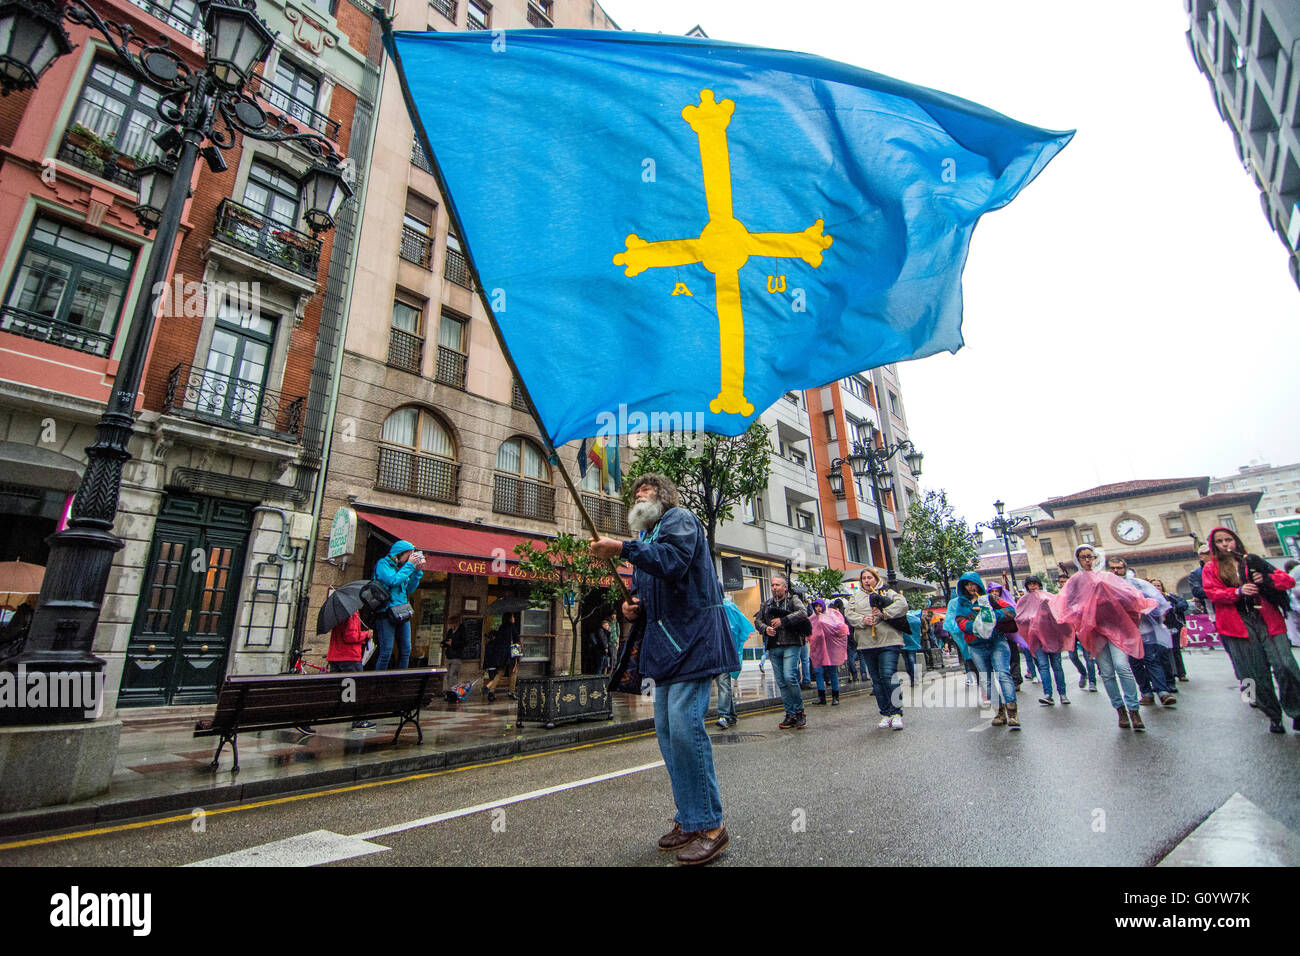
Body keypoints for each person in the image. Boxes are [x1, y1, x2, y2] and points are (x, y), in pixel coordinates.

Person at [592, 473, 736, 865]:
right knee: (670, 733)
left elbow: (672, 563)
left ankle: (710, 825)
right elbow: (649, 587)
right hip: (667, 647)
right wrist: (631, 604)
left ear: (664, 497)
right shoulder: (644, 540)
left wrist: (620, 548)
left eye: (648, 490)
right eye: (637, 493)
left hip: (693, 641)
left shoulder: (679, 520)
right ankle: (690, 818)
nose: (641, 495)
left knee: (686, 730)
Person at [1200, 525, 1300, 734]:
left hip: (1268, 618)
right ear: (1214, 545)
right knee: (1256, 673)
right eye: (1219, 541)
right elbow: (1212, 592)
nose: (1225, 544)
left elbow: (1287, 580)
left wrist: (1267, 580)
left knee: (1286, 665)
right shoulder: (1211, 568)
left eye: (1228, 539)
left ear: (1236, 539)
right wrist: (1238, 591)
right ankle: (1273, 715)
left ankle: (1296, 710)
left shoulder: (1252, 560)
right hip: (1238, 623)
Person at [1051, 545, 1151, 731]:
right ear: (1078, 560)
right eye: (1083, 557)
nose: (1087, 560)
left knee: (1122, 667)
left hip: (1116, 628)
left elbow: (1128, 596)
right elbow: (1067, 604)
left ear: (1096, 558)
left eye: (1090, 556)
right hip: (1094, 631)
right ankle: (1120, 709)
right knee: (1106, 672)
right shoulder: (1075, 581)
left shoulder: (1108, 577)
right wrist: (1085, 609)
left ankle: (1133, 709)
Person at [946, 572, 1020, 729]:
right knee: (986, 678)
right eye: (967, 584)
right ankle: (999, 712)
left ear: (978, 584)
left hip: (996, 641)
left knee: (1003, 674)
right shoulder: (962, 603)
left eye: (973, 583)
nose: (971, 587)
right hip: (976, 645)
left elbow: (1011, 611)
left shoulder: (990, 598)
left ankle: (1012, 712)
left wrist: (992, 616)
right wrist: (974, 626)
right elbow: (959, 621)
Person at [1107, 556, 1176, 709]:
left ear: (1125, 568)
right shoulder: (1108, 587)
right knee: (1136, 664)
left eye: (1119, 568)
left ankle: (1163, 692)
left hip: (1145, 630)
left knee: (1152, 660)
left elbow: (1156, 602)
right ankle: (1146, 693)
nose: (1116, 571)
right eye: (1113, 568)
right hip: (1127, 634)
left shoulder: (1138, 584)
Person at [845, 567, 908, 730]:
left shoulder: (886, 592)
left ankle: (896, 713)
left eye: (869, 578)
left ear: (876, 579)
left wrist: (884, 613)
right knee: (877, 679)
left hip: (888, 641)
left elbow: (902, 604)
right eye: (864, 578)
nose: (866, 581)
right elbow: (849, 614)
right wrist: (862, 620)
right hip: (867, 643)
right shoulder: (855, 597)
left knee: (888, 675)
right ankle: (885, 713)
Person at [754, 575, 812, 729]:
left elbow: (802, 613)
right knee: (781, 681)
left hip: (791, 643)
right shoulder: (766, 604)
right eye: (772, 585)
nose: (774, 588)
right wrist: (766, 628)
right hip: (774, 646)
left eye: (778, 585)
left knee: (789, 677)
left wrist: (783, 620)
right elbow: (758, 621)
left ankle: (800, 712)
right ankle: (790, 713)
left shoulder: (793, 600)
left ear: (785, 587)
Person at [1016, 575, 1072, 706]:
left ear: (1039, 584)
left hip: (1052, 637)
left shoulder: (1048, 597)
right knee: (1043, 666)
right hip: (1037, 640)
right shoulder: (1024, 601)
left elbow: (1059, 614)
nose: (1033, 586)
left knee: (1057, 667)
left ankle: (1063, 694)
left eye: (1035, 583)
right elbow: (1019, 617)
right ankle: (1048, 694)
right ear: (1027, 586)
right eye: (1030, 584)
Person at [373, 539, 424, 671]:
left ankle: (400, 680)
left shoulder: (403, 568)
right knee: (386, 652)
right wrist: (410, 566)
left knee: (406, 649)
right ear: (398, 554)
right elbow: (393, 580)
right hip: (386, 612)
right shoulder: (383, 564)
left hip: (402, 611)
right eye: (409, 555)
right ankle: (377, 683)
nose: (410, 559)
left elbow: (410, 589)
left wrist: (417, 572)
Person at [327, 608, 376, 729]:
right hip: (349, 657)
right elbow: (350, 636)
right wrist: (367, 634)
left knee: (337, 690)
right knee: (356, 690)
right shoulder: (352, 613)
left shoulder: (337, 613)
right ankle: (358, 720)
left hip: (335, 656)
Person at [716, 596, 754, 728]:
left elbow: (742, 629)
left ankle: (724, 715)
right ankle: (731, 715)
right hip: (716, 653)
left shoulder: (728, 607)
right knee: (724, 684)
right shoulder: (709, 608)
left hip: (725, 652)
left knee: (723, 682)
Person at [1058, 570, 1097, 692]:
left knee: (1088, 656)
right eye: (1061, 582)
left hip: (1083, 629)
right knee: (1072, 656)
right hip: (1070, 631)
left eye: (1065, 581)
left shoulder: (1079, 594)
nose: (1063, 584)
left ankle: (1092, 681)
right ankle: (1083, 673)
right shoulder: (1059, 597)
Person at [808, 598, 849, 706]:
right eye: (816, 606)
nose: (818, 608)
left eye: (820, 606)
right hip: (818, 649)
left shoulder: (831, 615)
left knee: (832, 672)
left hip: (830, 649)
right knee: (818, 672)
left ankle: (835, 697)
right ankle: (821, 697)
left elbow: (840, 627)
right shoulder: (812, 619)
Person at [1150, 577, 1190, 683]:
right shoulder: (1148, 598)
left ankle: (1181, 674)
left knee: (1176, 650)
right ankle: (1169, 674)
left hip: (1173, 627)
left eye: (1158, 585)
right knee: (1164, 652)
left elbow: (1183, 604)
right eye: (1154, 585)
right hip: (1159, 629)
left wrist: (1175, 606)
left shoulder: (1169, 596)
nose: (1156, 587)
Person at [484, 612, 522, 700]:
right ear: (510, 618)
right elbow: (517, 639)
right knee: (513, 672)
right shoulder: (512, 627)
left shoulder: (501, 627)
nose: (514, 618)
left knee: (500, 673)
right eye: (513, 617)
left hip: (501, 654)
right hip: (511, 654)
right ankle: (511, 692)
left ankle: (491, 691)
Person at [441, 614, 467, 703]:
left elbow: (464, 643)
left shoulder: (462, 630)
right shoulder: (450, 631)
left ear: (456, 623)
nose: (451, 625)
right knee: (448, 675)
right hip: (449, 655)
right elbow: (446, 640)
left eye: (452, 623)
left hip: (457, 656)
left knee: (453, 675)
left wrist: (453, 643)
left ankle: (455, 693)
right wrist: (444, 643)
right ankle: (448, 693)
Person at [901, 607, 923, 686]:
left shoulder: (906, 617)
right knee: (910, 661)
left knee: (909, 661)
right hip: (910, 643)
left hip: (905, 643)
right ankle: (914, 679)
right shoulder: (913, 617)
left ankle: (914, 679)